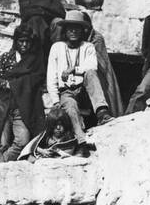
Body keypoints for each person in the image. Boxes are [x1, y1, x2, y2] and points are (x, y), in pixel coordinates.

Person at [45, 10, 113, 146]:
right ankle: (82, 139)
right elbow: (51, 76)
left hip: (84, 92)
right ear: (65, 31)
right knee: (70, 106)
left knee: (90, 74)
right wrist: (55, 101)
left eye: (77, 28)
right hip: (67, 92)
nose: (73, 31)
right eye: (70, 28)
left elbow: (92, 66)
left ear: (82, 31)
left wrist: (74, 70)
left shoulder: (88, 47)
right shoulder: (57, 48)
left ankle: (102, 112)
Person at [0, 25, 47, 163]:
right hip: (4, 106)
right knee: (2, 144)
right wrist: (8, 84)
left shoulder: (34, 61)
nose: (24, 44)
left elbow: (37, 79)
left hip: (21, 108)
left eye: (27, 41)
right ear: (16, 41)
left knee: (22, 141)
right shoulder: (6, 58)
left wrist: (17, 85)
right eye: (21, 41)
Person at [74, 0, 124, 118]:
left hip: (100, 76)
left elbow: (100, 63)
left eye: (86, 27)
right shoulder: (75, 39)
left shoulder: (97, 38)